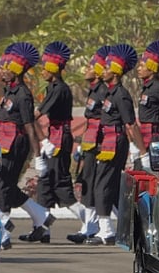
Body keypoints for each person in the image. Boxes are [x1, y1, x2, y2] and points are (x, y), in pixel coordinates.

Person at [0, 42, 54, 249]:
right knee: (3, 185)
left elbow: (29, 125)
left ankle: (2, 230)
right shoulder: (10, 91)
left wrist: (38, 155)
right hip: (3, 144)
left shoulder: (23, 94)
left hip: (15, 145)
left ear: (17, 71)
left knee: (1, 185)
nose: (3, 71)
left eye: (7, 68)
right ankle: (40, 215)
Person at [87, 44, 143, 246]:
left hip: (115, 143)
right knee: (105, 184)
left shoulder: (121, 94)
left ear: (117, 71)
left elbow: (130, 123)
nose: (103, 70)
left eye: (108, 67)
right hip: (107, 142)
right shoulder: (110, 93)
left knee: (103, 184)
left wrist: (139, 150)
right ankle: (119, 226)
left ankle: (107, 231)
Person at [24, 41, 78, 243]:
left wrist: (39, 136)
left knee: (60, 183)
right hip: (53, 135)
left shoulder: (59, 89)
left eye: (46, 68)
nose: (43, 72)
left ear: (54, 69)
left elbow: (36, 115)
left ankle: (90, 223)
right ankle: (42, 229)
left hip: (59, 138)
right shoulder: (52, 88)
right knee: (45, 184)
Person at [67, 47, 109, 245]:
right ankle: (90, 226)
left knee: (93, 183)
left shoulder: (103, 92)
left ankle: (94, 227)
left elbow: (104, 120)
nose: (86, 69)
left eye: (91, 67)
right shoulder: (94, 90)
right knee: (87, 182)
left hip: (98, 144)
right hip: (89, 142)